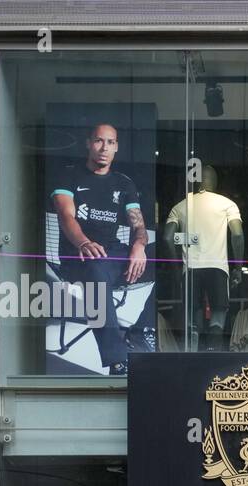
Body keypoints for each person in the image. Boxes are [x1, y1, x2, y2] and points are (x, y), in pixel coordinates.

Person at [45, 123, 150, 375]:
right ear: (88, 143)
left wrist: (139, 246)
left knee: (168, 256)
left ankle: (136, 333)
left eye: (110, 142)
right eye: (99, 141)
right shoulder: (68, 175)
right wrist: (83, 242)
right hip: (78, 257)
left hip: (114, 255)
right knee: (95, 271)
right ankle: (116, 361)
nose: (104, 148)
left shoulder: (124, 183)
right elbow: (66, 216)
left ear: (116, 147)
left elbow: (139, 224)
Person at [163, 164, 244, 351]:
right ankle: (213, 355)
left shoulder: (181, 206)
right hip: (217, 268)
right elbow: (238, 235)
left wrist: (177, 270)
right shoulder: (227, 204)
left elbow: (168, 238)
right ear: (214, 182)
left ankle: (192, 350)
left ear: (197, 182)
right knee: (218, 316)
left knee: (193, 314)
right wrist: (237, 268)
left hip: (191, 268)